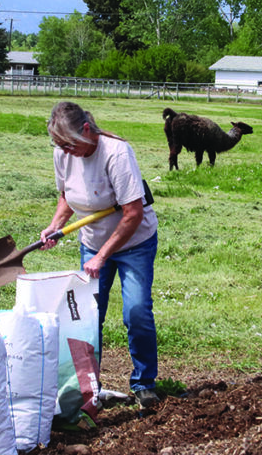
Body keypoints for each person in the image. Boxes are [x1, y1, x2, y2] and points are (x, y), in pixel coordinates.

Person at [40, 101, 160, 408]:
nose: (66, 152)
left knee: (136, 312)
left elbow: (132, 213)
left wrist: (102, 256)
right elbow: (67, 195)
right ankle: (90, 388)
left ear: (86, 130)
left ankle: (144, 383)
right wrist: (55, 226)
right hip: (92, 243)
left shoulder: (116, 153)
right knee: (88, 318)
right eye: (60, 146)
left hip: (134, 243)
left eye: (69, 144)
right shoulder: (63, 154)